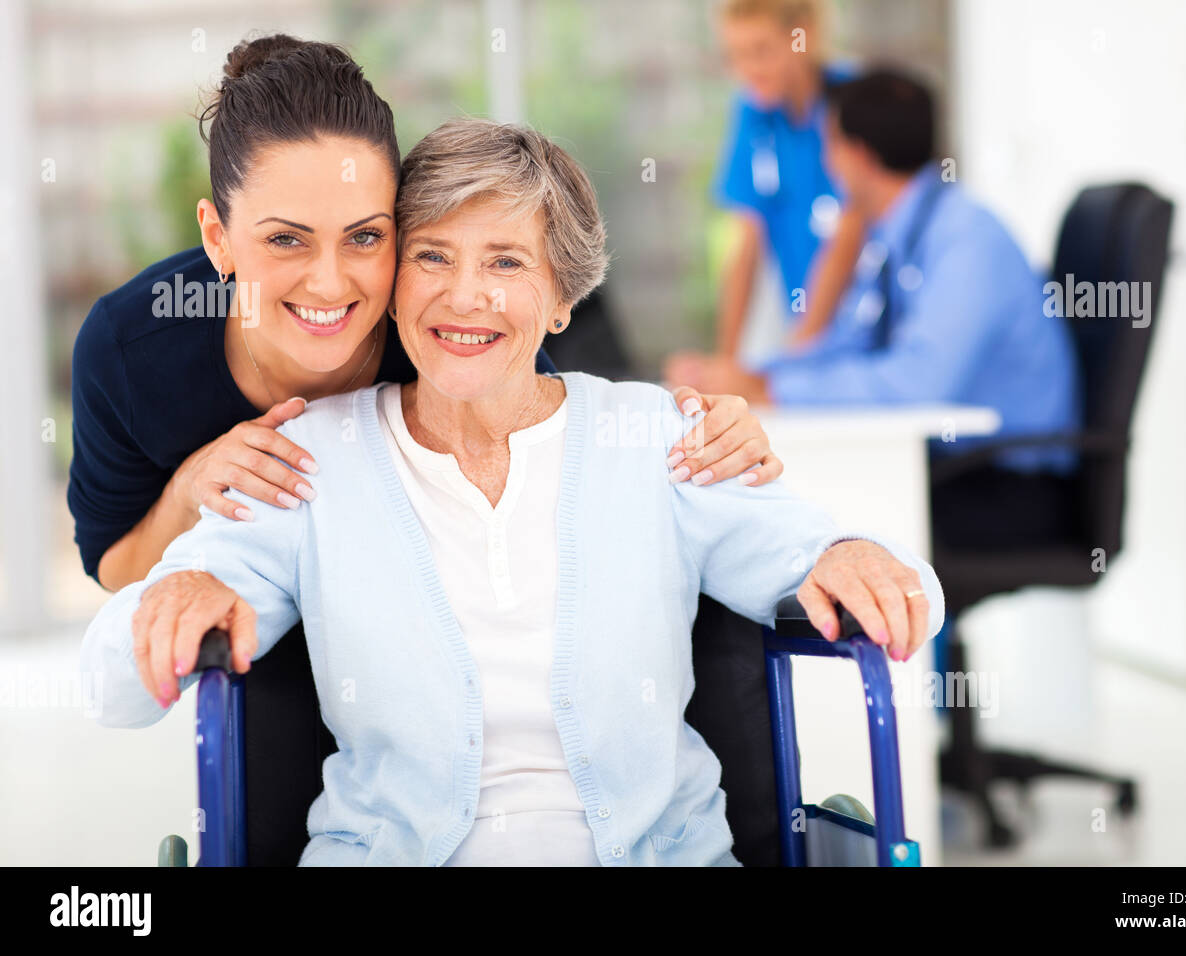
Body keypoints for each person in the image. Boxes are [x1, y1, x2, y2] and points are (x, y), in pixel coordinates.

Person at [80, 117, 945, 867]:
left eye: (505, 260)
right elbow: (115, 683)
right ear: (393, 288)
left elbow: (893, 587)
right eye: (432, 256)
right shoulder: (311, 458)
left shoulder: (656, 439)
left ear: (562, 299)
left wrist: (850, 555)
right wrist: (177, 593)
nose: (467, 295)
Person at [68, 35, 785, 594]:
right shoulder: (129, 351)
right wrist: (192, 491)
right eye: (285, 238)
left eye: (366, 236)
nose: (327, 283)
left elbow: (567, 465)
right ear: (217, 237)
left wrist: (697, 446)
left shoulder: (441, 326)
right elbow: (114, 569)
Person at [667, 70, 1083, 521]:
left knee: (801, 517)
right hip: (957, 465)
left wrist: (773, 390)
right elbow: (854, 340)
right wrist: (746, 375)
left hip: (1011, 483)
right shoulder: (901, 232)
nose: (828, 165)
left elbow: (917, 384)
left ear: (858, 155)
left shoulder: (967, 240)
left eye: (830, 146)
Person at [664, 0, 864, 380]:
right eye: (735, 55)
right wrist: (725, 364)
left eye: (761, 51)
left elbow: (849, 235)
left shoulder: (854, 99)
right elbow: (747, 243)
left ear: (805, 35)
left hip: (858, 330)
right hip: (803, 332)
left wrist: (797, 354)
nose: (748, 70)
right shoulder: (753, 112)